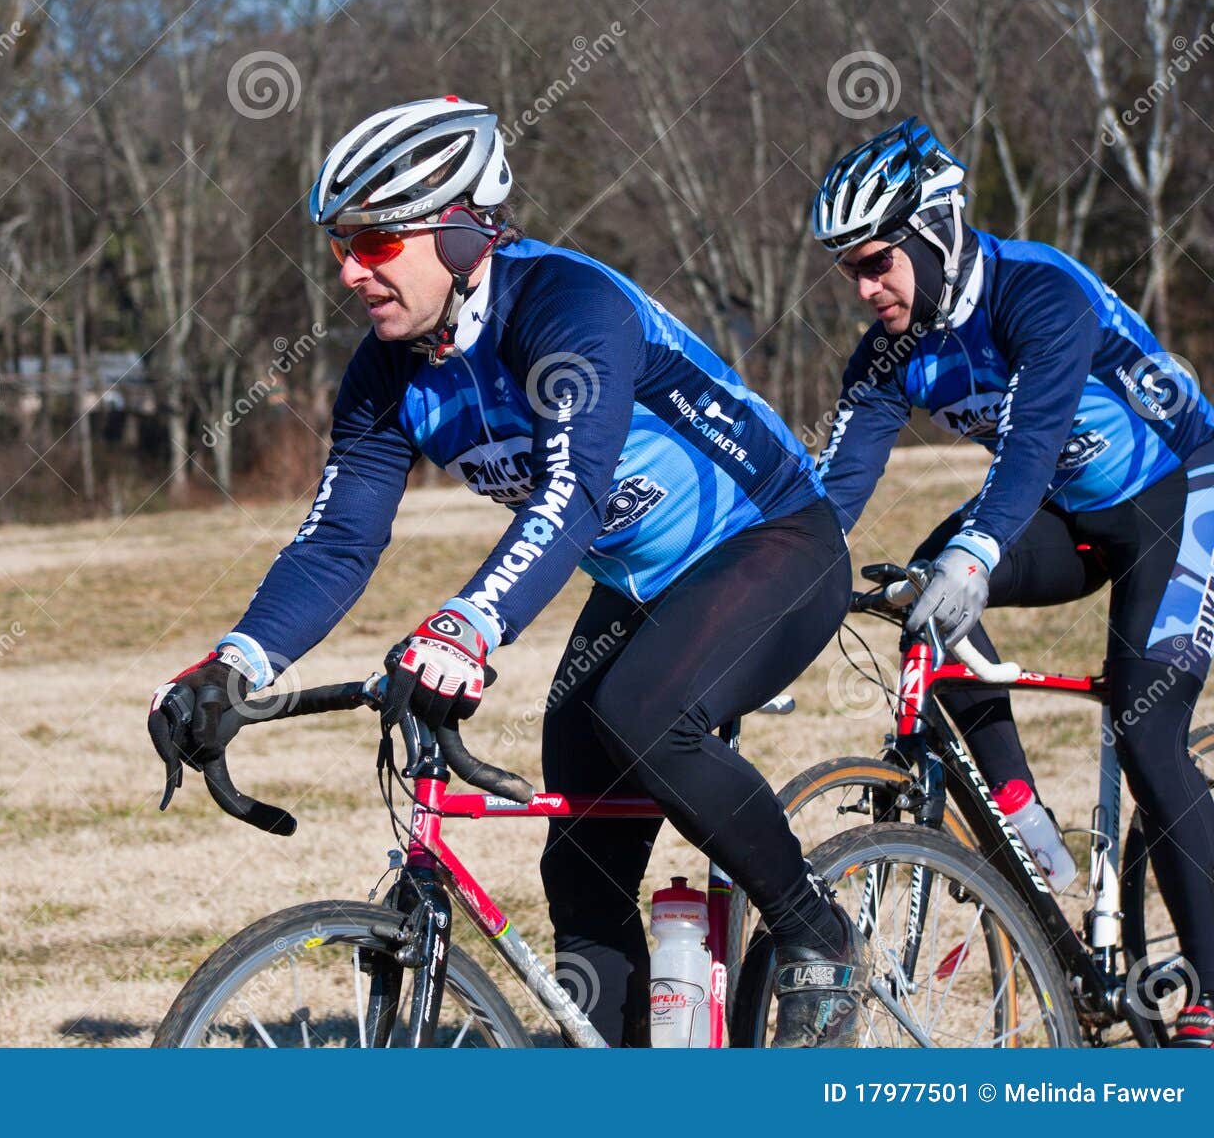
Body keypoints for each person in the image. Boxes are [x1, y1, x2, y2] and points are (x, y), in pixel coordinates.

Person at [151, 96, 864, 1046]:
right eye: (339, 247)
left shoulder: (569, 308)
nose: (350, 271)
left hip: (775, 542)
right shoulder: (384, 372)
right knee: (581, 875)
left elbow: (568, 494)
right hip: (641, 585)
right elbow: (338, 543)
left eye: (374, 243)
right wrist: (236, 663)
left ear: (455, 232)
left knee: (646, 713)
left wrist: (466, 625)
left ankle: (817, 932)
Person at [811, 116, 1214, 1047]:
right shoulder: (889, 346)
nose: (867, 289)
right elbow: (832, 493)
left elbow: (1028, 444)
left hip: (1179, 488)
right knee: (923, 589)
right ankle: (1023, 815)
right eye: (849, 272)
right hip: (1070, 517)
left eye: (878, 261)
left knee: (1146, 725)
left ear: (936, 233)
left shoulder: (1040, 291)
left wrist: (978, 553)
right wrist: (783, 578)